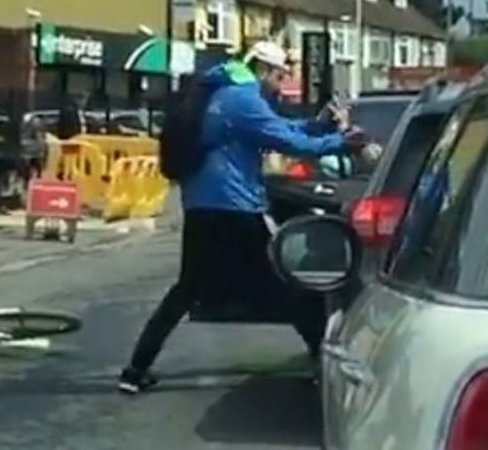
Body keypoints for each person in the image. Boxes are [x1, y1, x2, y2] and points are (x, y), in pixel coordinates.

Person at [118, 40, 363, 395]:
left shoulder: (221, 91)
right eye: (279, 76)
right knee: (286, 280)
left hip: (201, 204)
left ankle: (135, 370)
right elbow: (287, 142)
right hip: (235, 205)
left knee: (186, 289)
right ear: (263, 70)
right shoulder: (243, 99)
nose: (281, 85)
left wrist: (316, 125)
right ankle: (322, 360)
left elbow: (277, 128)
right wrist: (341, 142)